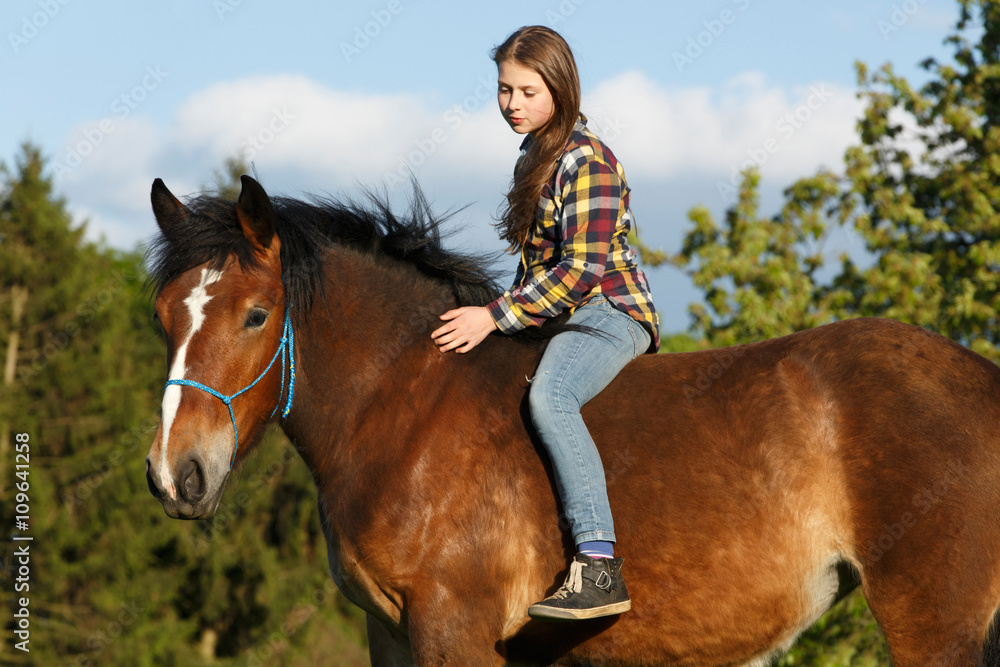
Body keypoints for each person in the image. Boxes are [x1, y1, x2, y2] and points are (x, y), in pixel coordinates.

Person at [430, 25, 660, 621]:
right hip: (561, 318)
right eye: (504, 90)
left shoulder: (591, 163)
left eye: (527, 91)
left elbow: (581, 272)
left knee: (552, 396)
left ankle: (599, 565)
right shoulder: (534, 157)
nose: (511, 104)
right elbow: (537, 271)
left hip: (609, 314)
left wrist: (494, 316)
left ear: (559, 87)